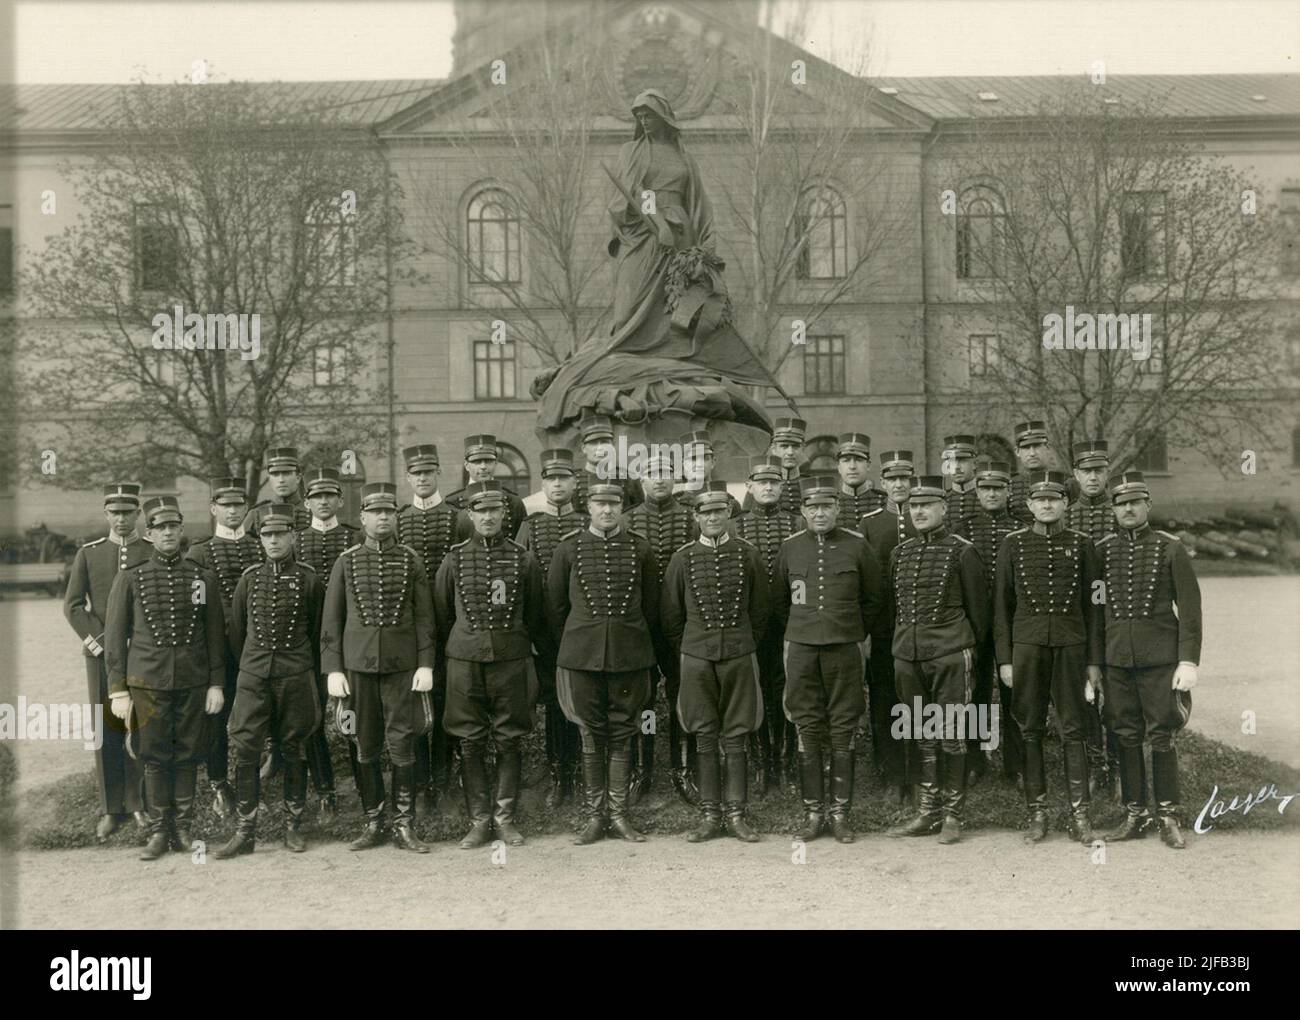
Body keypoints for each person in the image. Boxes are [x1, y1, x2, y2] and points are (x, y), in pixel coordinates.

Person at [104, 496, 226, 861]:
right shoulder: (131, 578)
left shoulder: (201, 578)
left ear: (182, 530)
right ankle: (159, 830)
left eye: (173, 526)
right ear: (150, 533)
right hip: (146, 682)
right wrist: (117, 690)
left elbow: (214, 634)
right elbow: (114, 637)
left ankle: (184, 827)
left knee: (187, 753)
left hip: (191, 680)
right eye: (160, 528)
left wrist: (216, 683)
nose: (168, 533)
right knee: (154, 755)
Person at [321, 482, 437, 853]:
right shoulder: (348, 561)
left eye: (389, 511)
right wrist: (334, 669)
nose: (383, 518)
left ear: (395, 516)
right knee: (364, 743)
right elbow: (331, 621)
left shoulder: (410, 560)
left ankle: (404, 823)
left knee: (404, 743)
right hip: (357, 670)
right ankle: (374, 822)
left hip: (403, 670)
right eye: (375, 512)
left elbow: (425, 618)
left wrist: (426, 664)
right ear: (363, 517)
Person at [435, 481, 549, 848]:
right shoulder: (453, 559)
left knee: (509, 739)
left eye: (494, 511)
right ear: (470, 515)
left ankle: (505, 818)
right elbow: (442, 614)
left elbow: (535, 614)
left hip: (511, 660)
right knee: (469, 741)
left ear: (505, 514)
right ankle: (479, 820)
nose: (487, 517)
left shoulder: (523, 559)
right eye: (480, 511)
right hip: (465, 661)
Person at [773, 476, 886, 843]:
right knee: (806, 724)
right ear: (803, 510)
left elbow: (873, 599)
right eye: (812, 507)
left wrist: (852, 630)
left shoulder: (857, 546)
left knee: (843, 724)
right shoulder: (790, 548)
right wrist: (801, 630)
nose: (819, 513)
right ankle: (812, 813)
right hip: (802, 647)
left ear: (838, 508)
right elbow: (779, 601)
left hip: (845, 647)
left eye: (826, 506)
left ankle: (839, 813)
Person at [547, 475, 659, 845]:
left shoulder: (640, 549)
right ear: (589, 509)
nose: (607, 510)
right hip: (582, 656)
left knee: (624, 733)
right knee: (590, 734)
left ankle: (620, 815)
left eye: (614, 504)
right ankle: (595, 817)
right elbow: (556, 609)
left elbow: (652, 606)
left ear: (622, 508)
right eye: (600, 504)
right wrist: (581, 642)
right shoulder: (569, 549)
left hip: (629, 654)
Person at [994, 470, 1104, 844]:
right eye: (1039, 499)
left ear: (1065, 504)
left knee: (1073, 728)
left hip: (1071, 646)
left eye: (1054, 499)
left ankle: (1080, 815)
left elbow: (1094, 606)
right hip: (1026, 647)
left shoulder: (1083, 544)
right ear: (1028, 505)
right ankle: (1037, 813)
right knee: (1030, 728)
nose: (1046, 505)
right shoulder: (1014, 544)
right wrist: (1005, 660)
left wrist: (1093, 661)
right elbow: (1001, 607)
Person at [1097, 471, 1202, 850]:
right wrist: (1096, 664)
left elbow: (1190, 611)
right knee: (1124, 734)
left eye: (1134, 503)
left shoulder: (1170, 547)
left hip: (1160, 658)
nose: (1127, 509)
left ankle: (1169, 814)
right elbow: (1095, 611)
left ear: (1147, 506)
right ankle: (1135, 813)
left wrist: (1188, 661)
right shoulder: (1103, 550)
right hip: (1116, 660)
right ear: (1113, 509)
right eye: (1121, 504)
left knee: (1161, 734)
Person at [215, 504, 325, 857]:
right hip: (254, 675)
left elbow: (317, 627)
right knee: (247, 748)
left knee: (294, 747)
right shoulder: (249, 579)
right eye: (267, 534)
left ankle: (293, 825)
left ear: (293, 535)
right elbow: (238, 633)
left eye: (280, 534)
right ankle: (245, 830)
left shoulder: (309, 579)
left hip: (295, 673)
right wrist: (253, 664)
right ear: (259, 539)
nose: (274, 540)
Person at [662, 482, 769, 842]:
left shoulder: (748, 554)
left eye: (719, 511)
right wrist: (692, 647)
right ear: (695, 517)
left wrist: (742, 641)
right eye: (705, 513)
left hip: (738, 653)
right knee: (704, 733)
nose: (712, 518)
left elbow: (760, 610)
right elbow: (672, 616)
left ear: (728, 514)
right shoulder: (683, 558)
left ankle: (736, 814)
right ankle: (710, 815)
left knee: (737, 732)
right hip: (696, 656)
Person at [885, 477, 989, 844]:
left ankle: (953, 815)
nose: (920, 512)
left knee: (953, 734)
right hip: (908, 656)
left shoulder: (963, 551)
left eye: (927, 505)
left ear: (943, 508)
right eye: (914, 506)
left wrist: (964, 651)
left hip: (949, 653)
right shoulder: (901, 553)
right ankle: (927, 811)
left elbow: (979, 615)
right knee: (920, 734)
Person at [63, 482, 150, 841]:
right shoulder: (89, 553)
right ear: (106, 515)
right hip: (100, 656)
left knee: (142, 725)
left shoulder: (150, 550)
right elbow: (73, 606)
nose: (121, 519)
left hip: (144, 653)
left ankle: (140, 802)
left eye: (128, 512)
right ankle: (111, 807)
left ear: (138, 514)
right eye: (114, 513)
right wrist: (102, 642)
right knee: (106, 728)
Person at [186, 476, 264, 818]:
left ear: (246, 508)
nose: (232, 511)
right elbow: (193, 607)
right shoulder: (200, 552)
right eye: (225, 505)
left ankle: (253, 781)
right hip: (217, 652)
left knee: (255, 719)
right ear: (213, 509)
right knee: (216, 719)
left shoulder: (260, 546)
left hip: (256, 649)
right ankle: (219, 784)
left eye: (238, 505)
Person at [515, 449, 587, 807]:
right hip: (545, 631)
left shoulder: (588, 523)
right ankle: (558, 772)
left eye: (563, 478)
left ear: (575, 483)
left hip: (582, 628)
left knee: (583, 700)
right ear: (542, 485)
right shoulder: (531, 525)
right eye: (550, 479)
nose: (557, 485)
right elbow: (520, 581)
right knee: (555, 704)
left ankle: (583, 770)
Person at [627, 447, 698, 803]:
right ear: (642, 480)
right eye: (652, 474)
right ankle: (643, 769)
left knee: (682, 693)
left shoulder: (690, 518)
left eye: (665, 473)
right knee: (644, 698)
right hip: (640, 624)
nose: (659, 480)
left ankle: (683, 768)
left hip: (683, 621)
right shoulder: (627, 520)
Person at [395, 443, 460, 816]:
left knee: (446, 704)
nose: (422, 478)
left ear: (438, 475)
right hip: (410, 630)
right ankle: (418, 783)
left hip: (450, 624)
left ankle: (444, 780)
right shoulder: (399, 519)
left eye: (429, 472)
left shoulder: (457, 517)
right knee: (415, 705)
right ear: (408, 478)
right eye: (416, 473)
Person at [294, 466, 358, 822]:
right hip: (304, 644)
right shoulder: (297, 540)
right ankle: (325, 792)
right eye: (317, 496)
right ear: (306, 503)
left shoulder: (352, 538)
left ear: (340, 500)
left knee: (350, 715)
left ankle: (364, 789)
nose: (323, 502)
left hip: (346, 641)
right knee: (313, 719)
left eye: (329, 495)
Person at [734, 455, 801, 795]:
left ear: (782, 485)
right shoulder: (737, 525)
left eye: (774, 481)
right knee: (757, 690)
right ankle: (762, 763)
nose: (769, 487)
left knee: (787, 690)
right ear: (750, 486)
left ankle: (787, 761)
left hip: (790, 622)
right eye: (762, 482)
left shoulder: (798, 522)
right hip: (751, 623)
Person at [858, 450, 919, 802]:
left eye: (905, 479)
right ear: (882, 484)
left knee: (917, 698)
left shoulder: (924, 517)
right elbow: (866, 583)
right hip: (883, 628)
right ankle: (891, 771)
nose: (899, 485)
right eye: (893, 479)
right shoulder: (870, 523)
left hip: (918, 624)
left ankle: (919, 769)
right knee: (884, 699)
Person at [954, 461, 1021, 783]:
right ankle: (976, 758)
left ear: (1009, 491)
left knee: (1015, 690)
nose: (991, 494)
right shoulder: (963, 528)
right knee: (975, 689)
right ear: (976, 491)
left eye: (998, 488)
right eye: (985, 488)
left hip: (1014, 619)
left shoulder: (1022, 526)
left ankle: (1015, 763)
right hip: (975, 618)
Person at [1066, 439, 1121, 799]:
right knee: (1083, 695)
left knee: (1115, 696)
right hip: (1078, 612)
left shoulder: (1120, 510)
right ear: (1076, 474)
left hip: (1115, 611)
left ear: (1107, 473)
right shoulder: (1066, 512)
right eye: (1086, 471)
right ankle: (1093, 763)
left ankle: (1116, 768)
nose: (1092, 477)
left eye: (1099, 470)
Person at [445, 435, 527, 540]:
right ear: (466, 465)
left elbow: (522, 544)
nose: (483, 466)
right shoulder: (452, 503)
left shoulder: (514, 503)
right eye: (477, 462)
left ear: (496, 462)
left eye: (488, 461)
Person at [570, 415, 643, 511]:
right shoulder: (572, 479)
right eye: (594, 443)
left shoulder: (629, 478)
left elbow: (638, 513)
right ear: (583, 448)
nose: (600, 448)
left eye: (605, 442)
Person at [741, 417, 806, 518]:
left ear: (803, 449)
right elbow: (747, 520)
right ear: (774, 449)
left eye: (796, 446)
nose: (790, 452)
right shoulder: (759, 486)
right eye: (784, 446)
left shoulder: (809, 484)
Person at [674, 431, 742, 517]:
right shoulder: (675, 503)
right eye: (693, 459)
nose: (699, 464)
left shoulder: (729, 502)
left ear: (713, 462)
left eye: (704, 458)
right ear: (683, 464)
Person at [251, 446, 313, 532]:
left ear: (298, 477)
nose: (281, 480)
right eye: (275, 474)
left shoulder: (313, 512)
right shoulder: (256, 514)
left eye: (286, 473)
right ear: (269, 478)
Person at [835, 432, 886, 522]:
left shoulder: (885, 502)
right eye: (846, 460)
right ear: (839, 467)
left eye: (859, 460)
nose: (852, 466)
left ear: (868, 465)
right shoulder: (830, 503)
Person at [941, 434, 981, 535]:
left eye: (962, 460)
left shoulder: (986, 496)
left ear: (975, 464)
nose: (956, 467)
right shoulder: (941, 500)